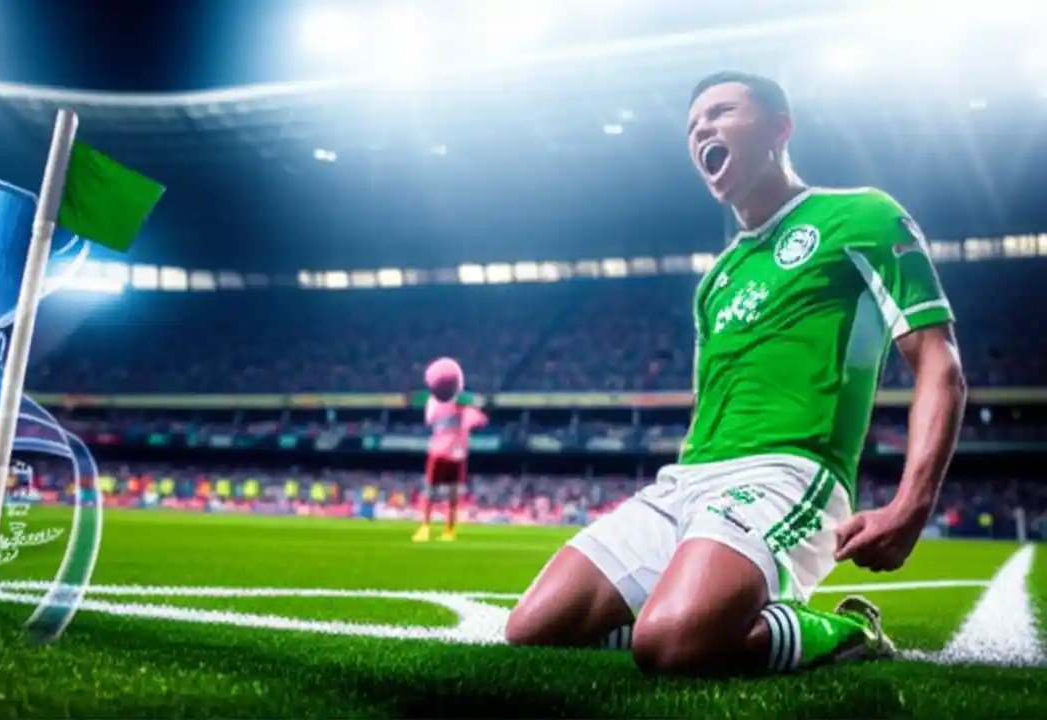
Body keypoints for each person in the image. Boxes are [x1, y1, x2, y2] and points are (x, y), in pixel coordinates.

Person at [504, 71, 967, 677]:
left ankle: (849, 630)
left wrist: (911, 505)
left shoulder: (863, 215)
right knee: (532, 631)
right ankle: (698, 611)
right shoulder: (716, 280)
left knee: (669, 646)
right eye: (692, 125)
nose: (702, 129)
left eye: (721, 112)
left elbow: (938, 362)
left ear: (780, 129)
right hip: (686, 482)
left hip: (788, 472)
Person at [413, 377, 488, 543]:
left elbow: (481, 419)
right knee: (431, 491)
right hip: (439, 452)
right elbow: (430, 416)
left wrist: (472, 405)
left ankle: (448, 530)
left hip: (456, 454)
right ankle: (425, 527)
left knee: (452, 494)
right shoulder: (436, 403)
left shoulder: (467, 410)